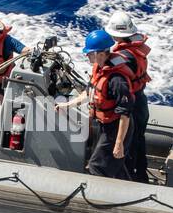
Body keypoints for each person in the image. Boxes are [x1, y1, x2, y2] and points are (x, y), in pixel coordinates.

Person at [55, 29, 133, 180]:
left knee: (97, 167)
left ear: (101, 54)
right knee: (114, 164)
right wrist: (67, 105)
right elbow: (89, 92)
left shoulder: (116, 80)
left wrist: (119, 142)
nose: (87, 55)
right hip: (105, 124)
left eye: (90, 53)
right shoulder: (100, 69)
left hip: (116, 128)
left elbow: (125, 113)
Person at [104, 10, 152, 182]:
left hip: (131, 104)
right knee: (138, 140)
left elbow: (106, 67)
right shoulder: (135, 47)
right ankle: (141, 174)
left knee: (129, 143)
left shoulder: (122, 57)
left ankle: (132, 179)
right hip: (141, 102)